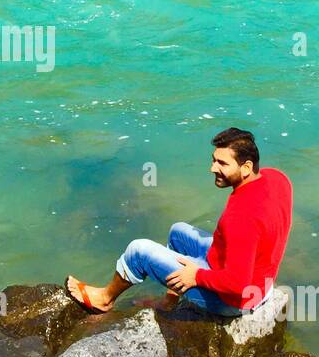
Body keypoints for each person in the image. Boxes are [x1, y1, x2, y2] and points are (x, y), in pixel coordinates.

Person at [66, 127, 292, 316]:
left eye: (222, 163)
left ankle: (104, 299)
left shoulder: (242, 218)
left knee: (138, 251)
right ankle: (170, 300)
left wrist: (196, 276)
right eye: (214, 160)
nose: (213, 168)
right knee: (178, 233)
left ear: (247, 167)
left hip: (236, 300)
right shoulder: (276, 178)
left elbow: (238, 283)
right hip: (260, 281)